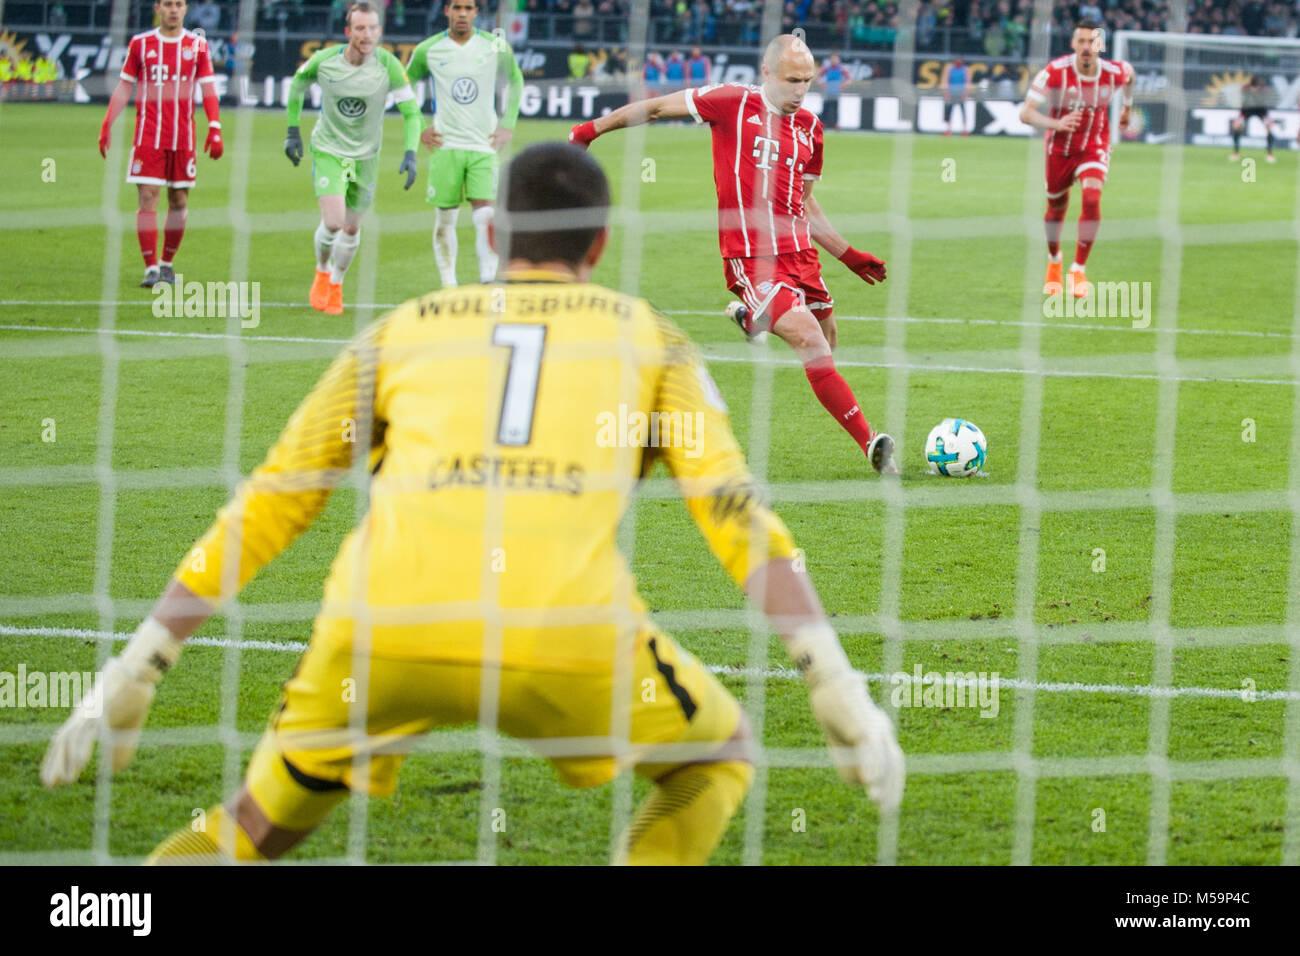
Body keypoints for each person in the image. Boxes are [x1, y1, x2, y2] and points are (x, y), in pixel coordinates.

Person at [39, 142, 905, 867]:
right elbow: (734, 512)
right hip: (563, 640)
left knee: (254, 827)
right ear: (599, 246)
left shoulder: (401, 328)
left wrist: (143, 659)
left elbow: (274, 500)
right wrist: (828, 675)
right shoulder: (650, 340)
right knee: (714, 762)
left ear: (492, 232)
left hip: (380, 633)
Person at [569, 34, 899, 475]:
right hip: (752, 257)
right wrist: (589, 131)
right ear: (766, 73)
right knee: (810, 342)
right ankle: (872, 445)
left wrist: (849, 255)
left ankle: (752, 318)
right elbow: (653, 108)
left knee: (828, 339)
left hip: (800, 254)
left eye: (807, 81)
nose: (800, 90)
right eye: (792, 80)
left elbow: (805, 202)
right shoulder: (728, 103)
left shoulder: (810, 129)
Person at [283, 2, 423, 315]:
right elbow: (297, 87)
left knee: (351, 228)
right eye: (360, 28)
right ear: (348, 32)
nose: (367, 34)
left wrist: (411, 152)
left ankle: (336, 283)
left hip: (367, 156)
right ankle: (321, 271)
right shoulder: (324, 61)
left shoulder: (388, 65)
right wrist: (293, 131)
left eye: (373, 28)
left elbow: (412, 113)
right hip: (329, 149)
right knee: (333, 222)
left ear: (379, 31)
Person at [98, 0, 222, 288]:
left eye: (178, 4)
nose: (173, 10)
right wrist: (107, 123)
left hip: (183, 138)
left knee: (178, 201)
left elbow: (208, 89)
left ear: (186, 8)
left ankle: (167, 264)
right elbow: (124, 85)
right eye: (168, 4)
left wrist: (214, 127)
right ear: (157, 8)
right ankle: (150, 267)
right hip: (148, 138)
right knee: (148, 198)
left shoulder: (198, 46)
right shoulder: (140, 44)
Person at [406, 0, 523, 288]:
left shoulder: (494, 46)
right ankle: (449, 286)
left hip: (484, 145)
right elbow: (403, 85)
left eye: (468, 8)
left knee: (486, 215)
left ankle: (487, 281)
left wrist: (507, 123)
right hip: (446, 146)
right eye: (456, 7)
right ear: (446, 11)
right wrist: (420, 126)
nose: (462, 13)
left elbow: (516, 81)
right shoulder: (428, 49)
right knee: (445, 219)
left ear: (476, 13)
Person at [1019, 18, 1133, 297]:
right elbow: (1026, 113)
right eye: (1081, 41)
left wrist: (1127, 109)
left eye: (1092, 41)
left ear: (1100, 45)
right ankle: (1054, 261)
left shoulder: (1111, 73)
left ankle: (1078, 270)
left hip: (1094, 145)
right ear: (1073, 44)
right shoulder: (1055, 72)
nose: (1086, 47)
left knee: (1092, 199)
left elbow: (1129, 74)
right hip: (1059, 149)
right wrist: (1056, 124)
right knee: (1056, 211)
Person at [1230, 75, 1277, 163]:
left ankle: (1269, 154)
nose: (1254, 89)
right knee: (1236, 127)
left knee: (1269, 128)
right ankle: (1236, 153)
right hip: (1247, 110)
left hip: (1261, 110)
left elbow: (1266, 96)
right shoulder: (1245, 89)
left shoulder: (1263, 89)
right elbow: (1241, 97)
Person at [940, 55, 969, 136]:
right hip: (951, 93)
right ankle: (948, 129)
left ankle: (964, 130)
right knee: (949, 112)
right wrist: (946, 94)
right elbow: (946, 81)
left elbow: (967, 82)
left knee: (963, 112)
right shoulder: (950, 69)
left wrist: (966, 94)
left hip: (960, 94)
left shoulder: (965, 70)